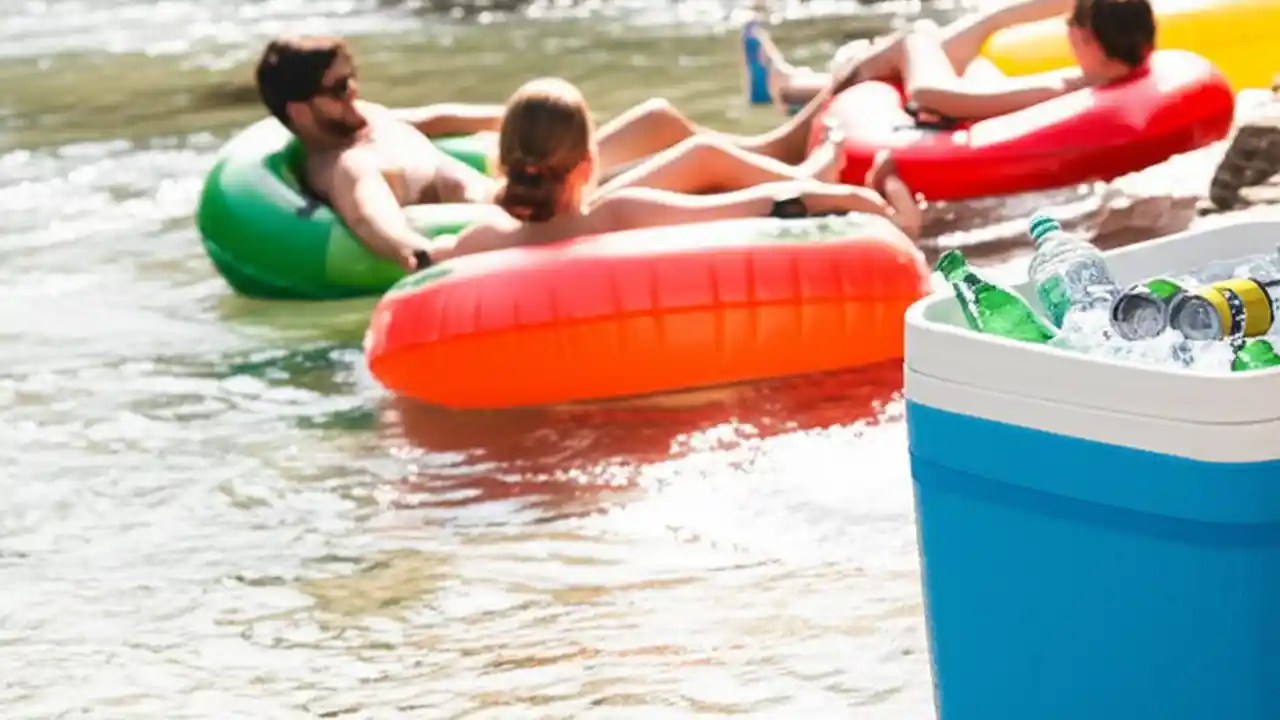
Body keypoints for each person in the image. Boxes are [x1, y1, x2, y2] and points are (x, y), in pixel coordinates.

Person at [253, 36, 862, 272]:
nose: (354, 92)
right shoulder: (348, 165)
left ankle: (775, 147)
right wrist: (412, 254)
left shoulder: (372, 122)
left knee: (655, 118)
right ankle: (800, 170)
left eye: (352, 76)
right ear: (301, 112)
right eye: (338, 89)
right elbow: (367, 215)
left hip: (529, 167)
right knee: (698, 155)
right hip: (527, 204)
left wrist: (536, 120)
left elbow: (440, 119)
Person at [423, 77, 921, 265]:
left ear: (502, 164)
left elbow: (429, 260)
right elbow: (761, 206)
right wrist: (856, 201)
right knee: (901, 229)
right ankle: (885, 187)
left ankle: (815, 165)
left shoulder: (481, 242)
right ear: (589, 163)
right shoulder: (618, 215)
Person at [747, 0, 1155, 122]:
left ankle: (794, 90)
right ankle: (795, 85)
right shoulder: (1114, 78)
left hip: (933, 101)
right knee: (972, 40)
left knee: (917, 40)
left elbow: (935, 96)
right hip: (950, 92)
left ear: (1083, 38)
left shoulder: (1060, 90)